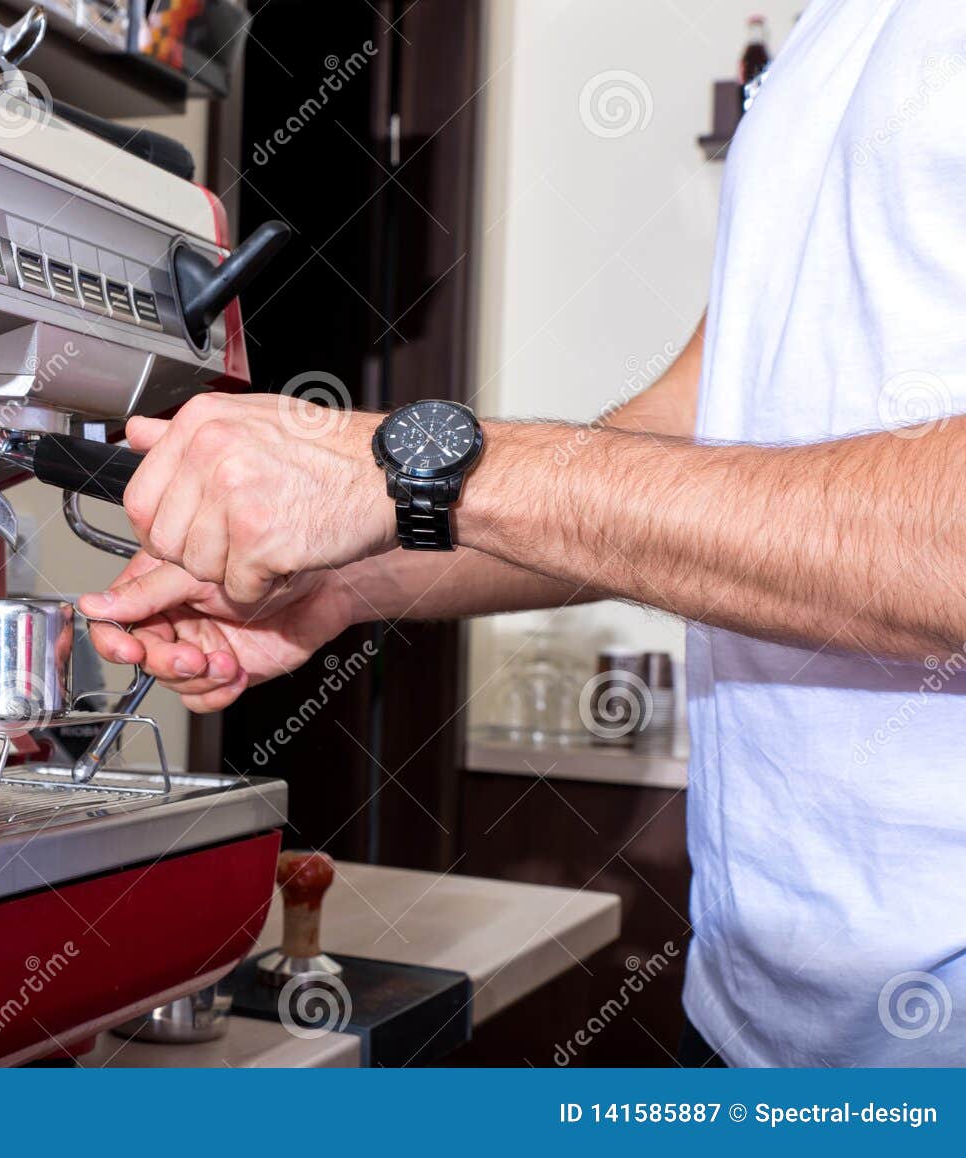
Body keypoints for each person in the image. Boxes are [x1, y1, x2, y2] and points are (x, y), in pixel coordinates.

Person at [81, 0, 966, 1067]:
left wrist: (416, 464)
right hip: (761, 1018)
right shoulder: (833, 32)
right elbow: (684, 432)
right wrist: (349, 579)